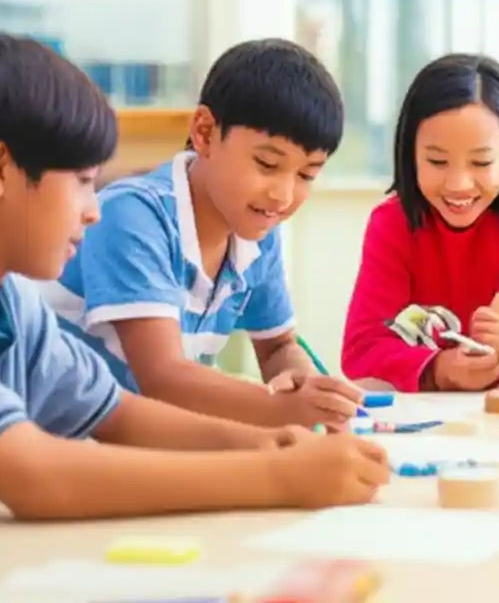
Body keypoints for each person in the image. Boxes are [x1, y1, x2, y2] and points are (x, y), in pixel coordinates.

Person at [0, 34, 389, 591]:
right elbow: (34, 474)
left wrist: (273, 443)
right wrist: (275, 475)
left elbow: (118, 413)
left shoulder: (9, 306)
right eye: (82, 182)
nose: (94, 210)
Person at [43, 39, 363, 430]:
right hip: (65, 438)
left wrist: (305, 385)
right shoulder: (133, 215)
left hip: (148, 439)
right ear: (205, 132)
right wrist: (280, 409)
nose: (282, 194)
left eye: (306, 175)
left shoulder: (256, 229)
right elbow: (162, 379)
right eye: (267, 163)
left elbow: (278, 346)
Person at [340, 54, 499, 392]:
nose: (458, 184)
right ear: (410, 153)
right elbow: (360, 351)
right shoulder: (392, 222)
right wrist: (439, 368)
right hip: (420, 413)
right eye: (437, 160)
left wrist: (496, 353)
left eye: (481, 162)